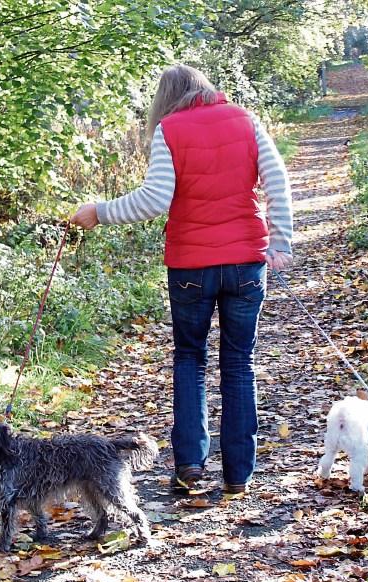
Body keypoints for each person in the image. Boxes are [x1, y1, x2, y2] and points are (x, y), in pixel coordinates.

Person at [70, 64, 293, 495]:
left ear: (165, 98)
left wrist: (99, 211)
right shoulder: (245, 120)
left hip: (191, 267)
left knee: (190, 359)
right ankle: (238, 475)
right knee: (239, 362)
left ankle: (190, 464)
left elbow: (155, 198)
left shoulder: (169, 130)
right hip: (247, 262)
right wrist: (279, 242)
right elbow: (278, 182)